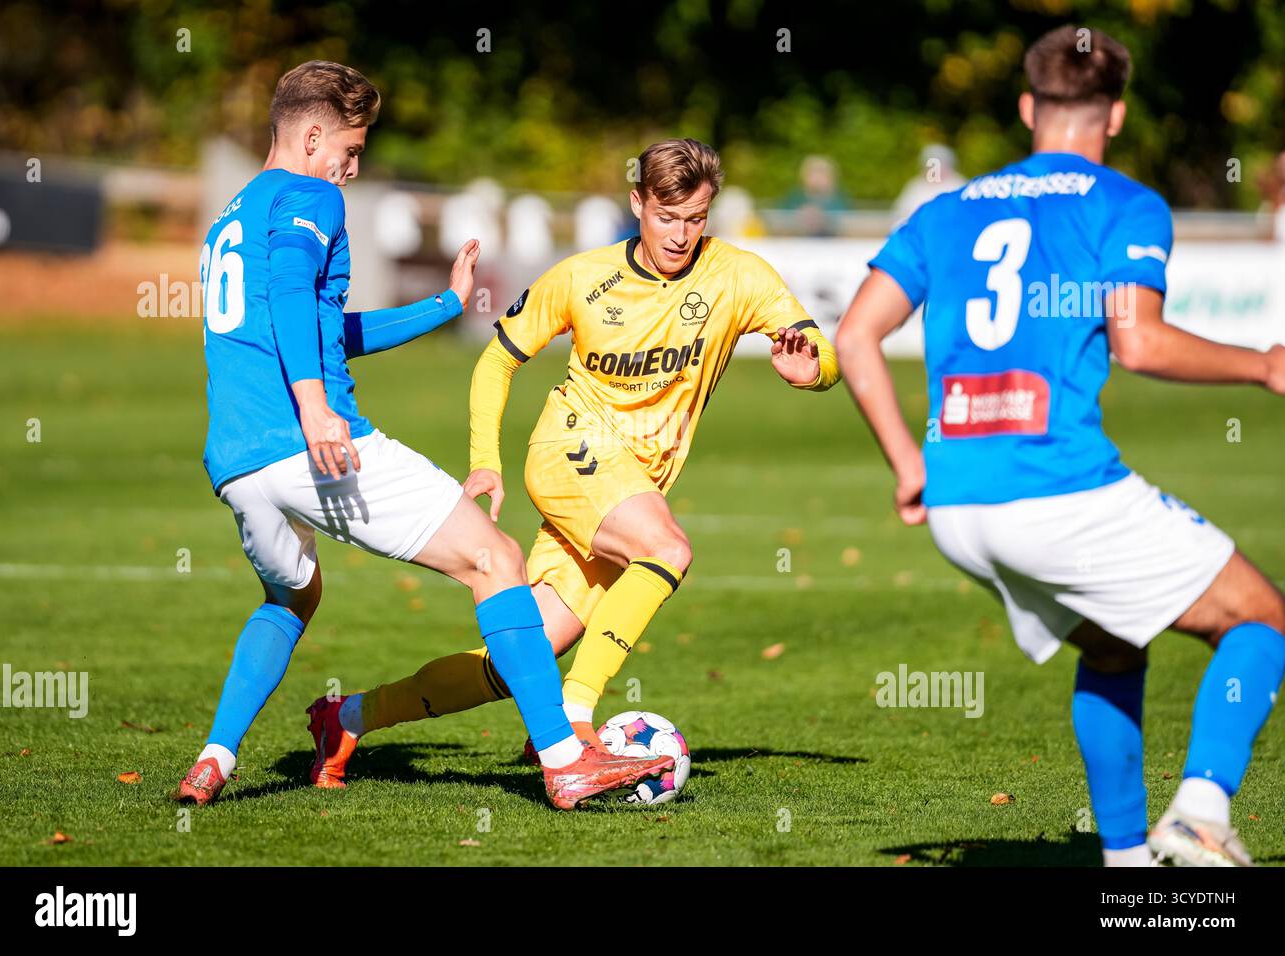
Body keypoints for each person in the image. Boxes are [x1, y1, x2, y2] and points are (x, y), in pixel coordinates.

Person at [836, 25, 1285, 866]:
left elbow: (856, 335)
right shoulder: (1122, 203)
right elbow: (1141, 343)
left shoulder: (946, 210)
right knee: (1262, 618)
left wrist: (908, 463)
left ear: (1025, 108)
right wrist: (1263, 365)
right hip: (1056, 487)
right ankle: (1200, 815)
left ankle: (1125, 865)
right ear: (1114, 115)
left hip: (958, 503)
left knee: (1114, 644)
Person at [174, 60, 672, 811]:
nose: (353, 165)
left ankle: (214, 757)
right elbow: (285, 295)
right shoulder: (311, 195)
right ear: (312, 135)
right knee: (496, 558)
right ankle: (566, 760)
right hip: (311, 444)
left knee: (291, 598)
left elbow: (317, 327)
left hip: (239, 466)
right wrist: (313, 408)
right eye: (351, 146)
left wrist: (443, 306)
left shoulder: (239, 210)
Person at [307, 138, 841, 779]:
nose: (680, 234)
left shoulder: (740, 277)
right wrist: (485, 459)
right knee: (667, 549)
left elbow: (819, 350)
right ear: (637, 201)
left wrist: (813, 369)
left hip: (629, 485)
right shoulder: (583, 277)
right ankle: (576, 721)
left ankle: (347, 718)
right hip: (570, 450)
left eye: (695, 219)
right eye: (666, 217)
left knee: (516, 661)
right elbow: (498, 359)